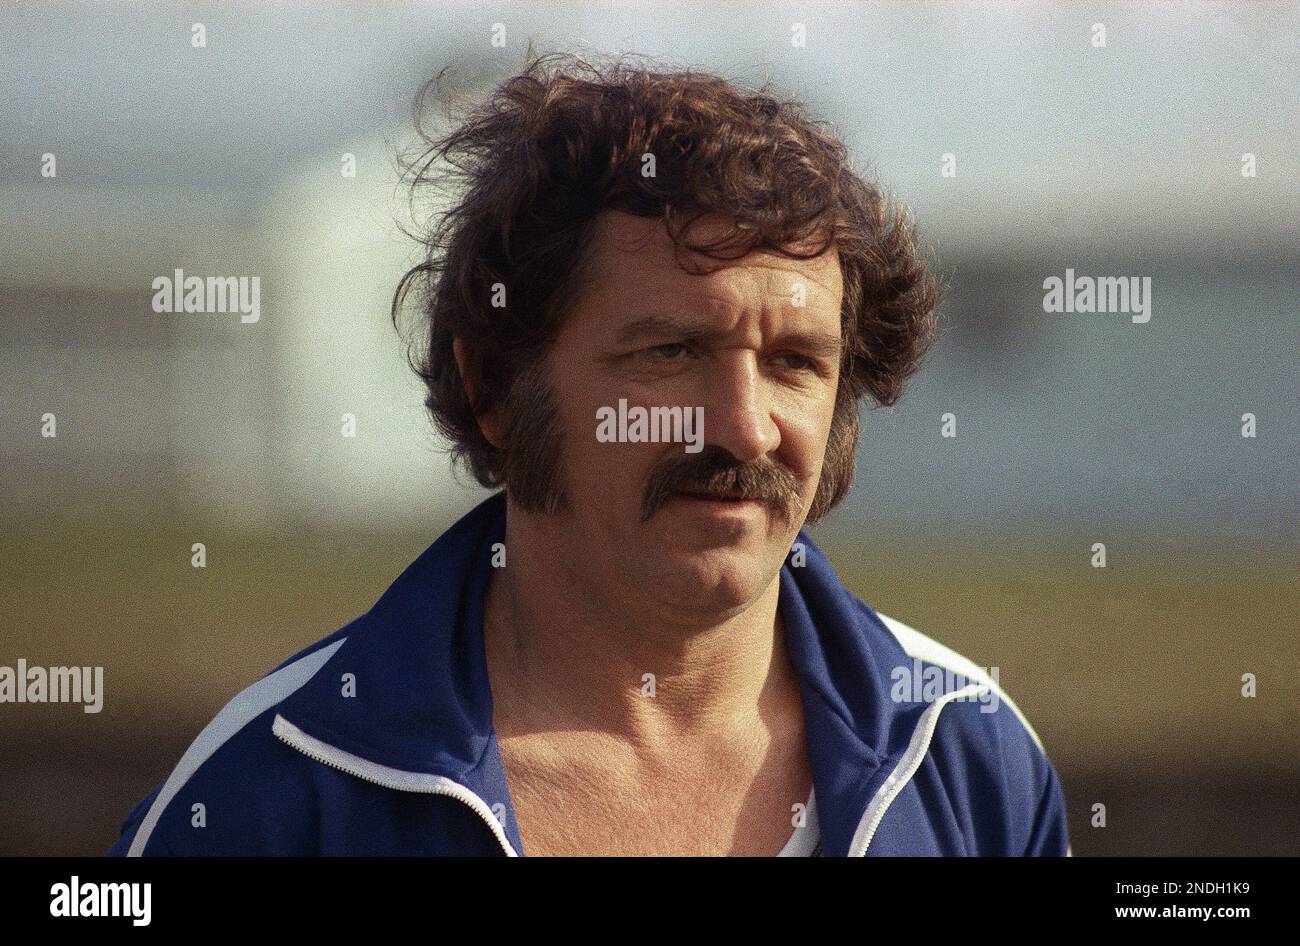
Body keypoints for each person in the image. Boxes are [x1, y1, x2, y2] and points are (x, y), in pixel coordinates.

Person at [108, 53, 1070, 857]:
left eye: (794, 363)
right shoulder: (270, 799)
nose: (741, 427)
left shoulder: (970, 760)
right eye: (670, 353)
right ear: (493, 389)